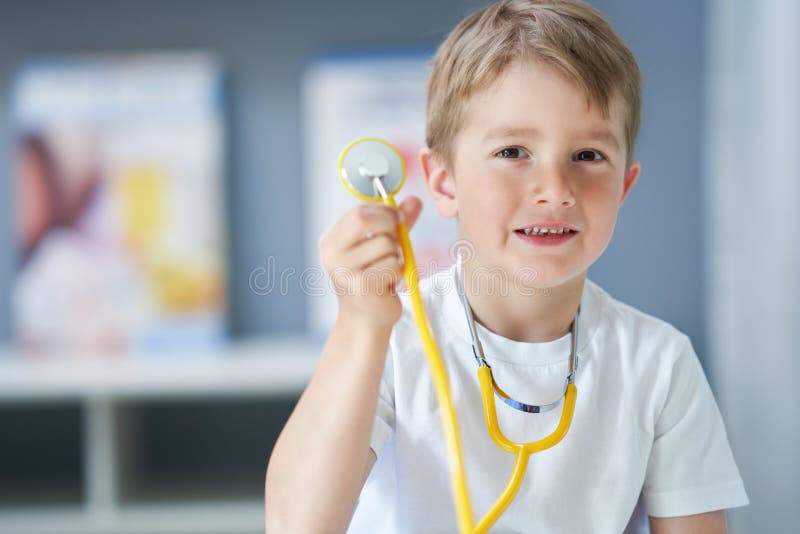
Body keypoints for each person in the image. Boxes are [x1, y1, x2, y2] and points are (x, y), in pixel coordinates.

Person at [264, 1, 748, 532]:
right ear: (444, 181)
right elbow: (297, 524)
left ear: (624, 186)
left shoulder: (660, 365)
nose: (555, 192)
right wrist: (359, 328)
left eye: (588, 156)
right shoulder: (391, 343)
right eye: (514, 151)